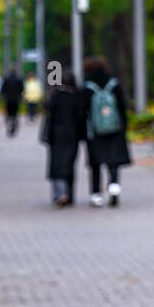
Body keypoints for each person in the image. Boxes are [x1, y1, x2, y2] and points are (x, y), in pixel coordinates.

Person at [83, 56, 132, 207]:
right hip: (115, 129)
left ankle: (96, 194)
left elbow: (82, 110)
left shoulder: (86, 86)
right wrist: (124, 125)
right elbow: (123, 106)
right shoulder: (114, 84)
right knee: (114, 161)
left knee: (96, 163)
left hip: (94, 131)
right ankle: (114, 187)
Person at [41, 71, 84, 206]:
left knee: (56, 163)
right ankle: (70, 195)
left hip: (56, 135)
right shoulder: (78, 96)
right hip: (73, 135)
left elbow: (48, 110)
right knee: (70, 164)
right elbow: (82, 116)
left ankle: (58, 194)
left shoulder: (55, 95)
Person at [1, 68, 23, 136]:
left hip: (8, 100)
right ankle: (13, 125)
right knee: (15, 114)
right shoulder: (19, 80)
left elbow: (2, 90)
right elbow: (22, 89)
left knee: (8, 114)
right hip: (16, 100)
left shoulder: (6, 79)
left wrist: (4, 96)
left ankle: (9, 126)